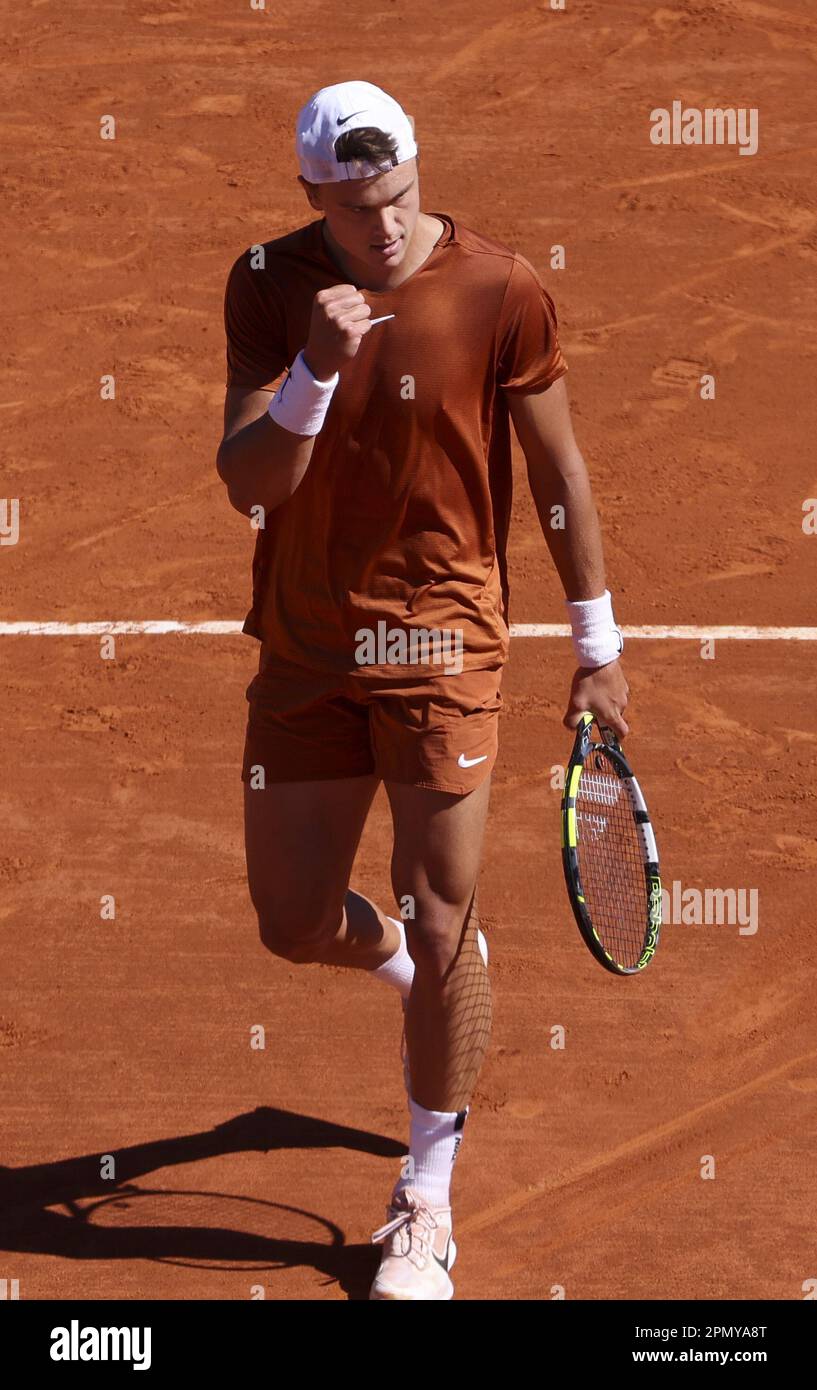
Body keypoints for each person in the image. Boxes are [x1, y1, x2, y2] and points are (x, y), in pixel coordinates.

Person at [216, 80, 629, 1300]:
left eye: (395, 198)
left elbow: (556, 469)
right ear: (312, 199)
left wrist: (597, 644)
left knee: (445, 913)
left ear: (416, 174)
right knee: (291, 920)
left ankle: (424, 1203)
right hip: (305, 643)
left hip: (441, 643)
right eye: (353, 209)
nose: (382, 227)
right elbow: (251, 482)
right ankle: (414, 963)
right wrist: (313, 372)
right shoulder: (268, 284)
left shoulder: (501, 287)